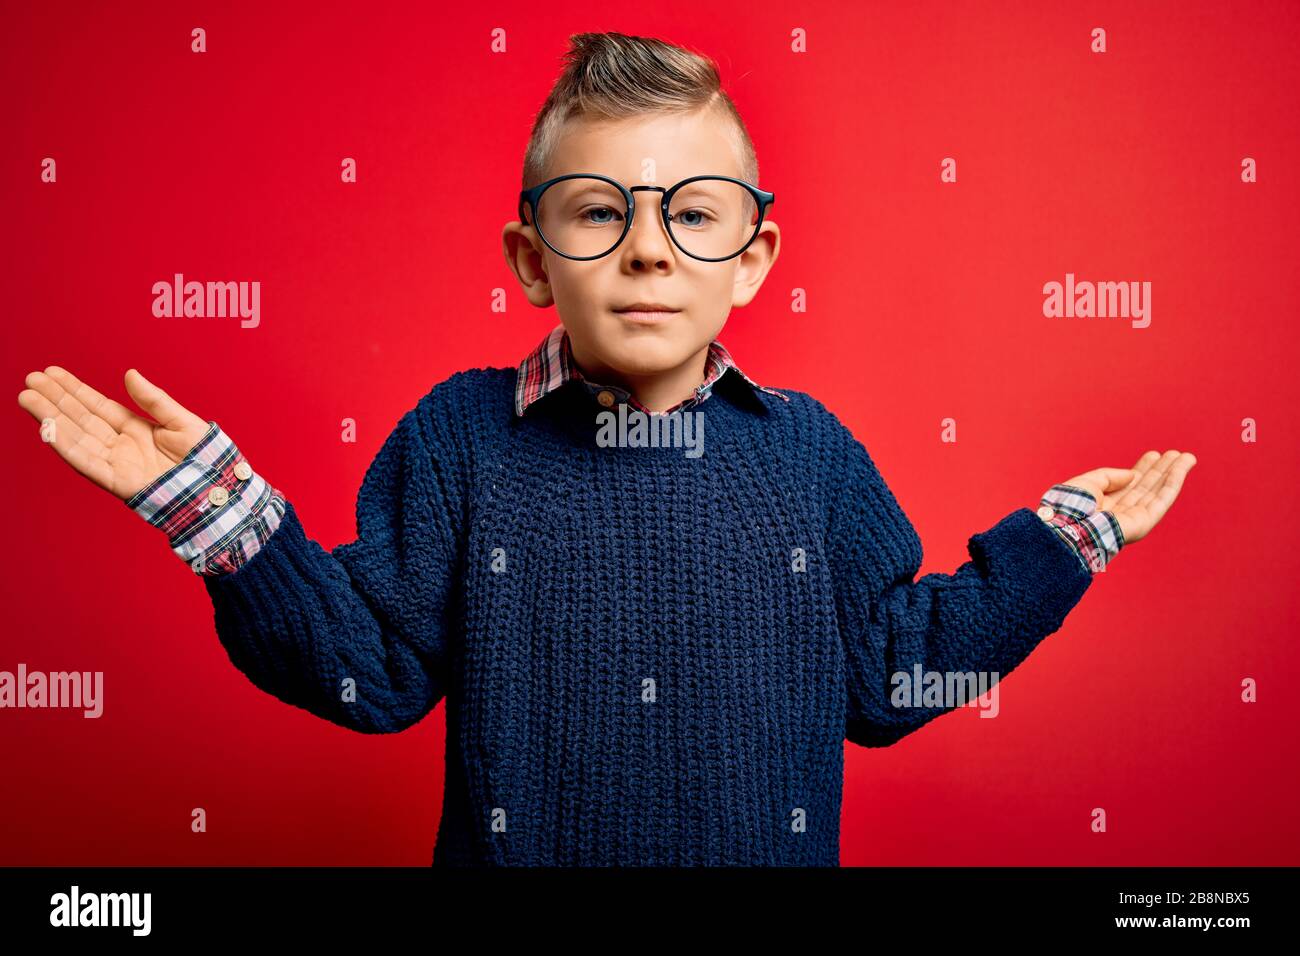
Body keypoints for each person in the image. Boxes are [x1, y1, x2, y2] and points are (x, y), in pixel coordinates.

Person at [15, 31, 1196, 866]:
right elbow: (366, 676)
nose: (647, 251)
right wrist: (214, 511)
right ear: (532, 259)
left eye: (692, 212)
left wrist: (1060, 543)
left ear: (753, 257)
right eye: (596, 209)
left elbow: (891, 677)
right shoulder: (459, 438)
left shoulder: (810, 458)